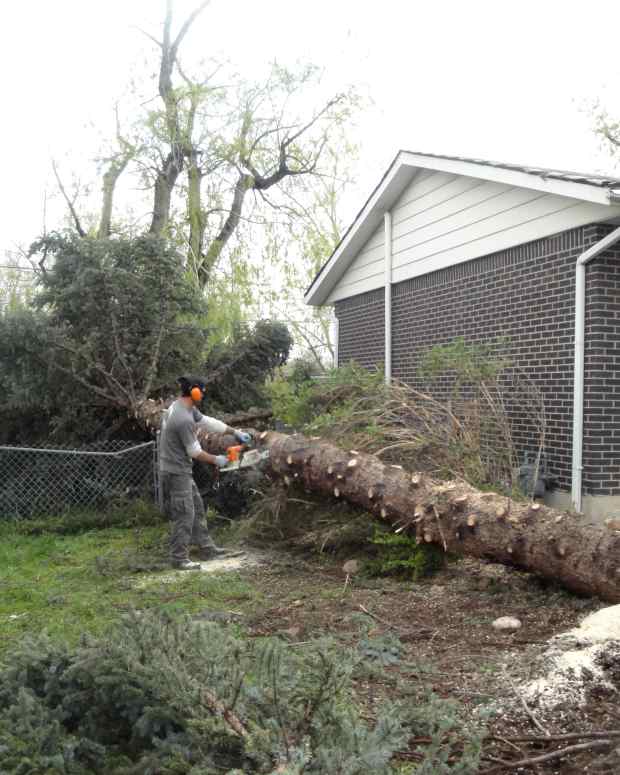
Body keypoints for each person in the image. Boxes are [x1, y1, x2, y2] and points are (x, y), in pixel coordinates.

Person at [159, 375, 251, 570]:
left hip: (179, 468)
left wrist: (234, 432)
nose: (203, 394)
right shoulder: (183, 418)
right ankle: (179, 558)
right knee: (185, 513)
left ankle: (207, 549)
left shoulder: (184, 407)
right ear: (194, 391)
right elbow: (194, 451)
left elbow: (207, 422)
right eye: (202, 391)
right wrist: (217, 459)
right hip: (176, 471)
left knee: (197, 508)